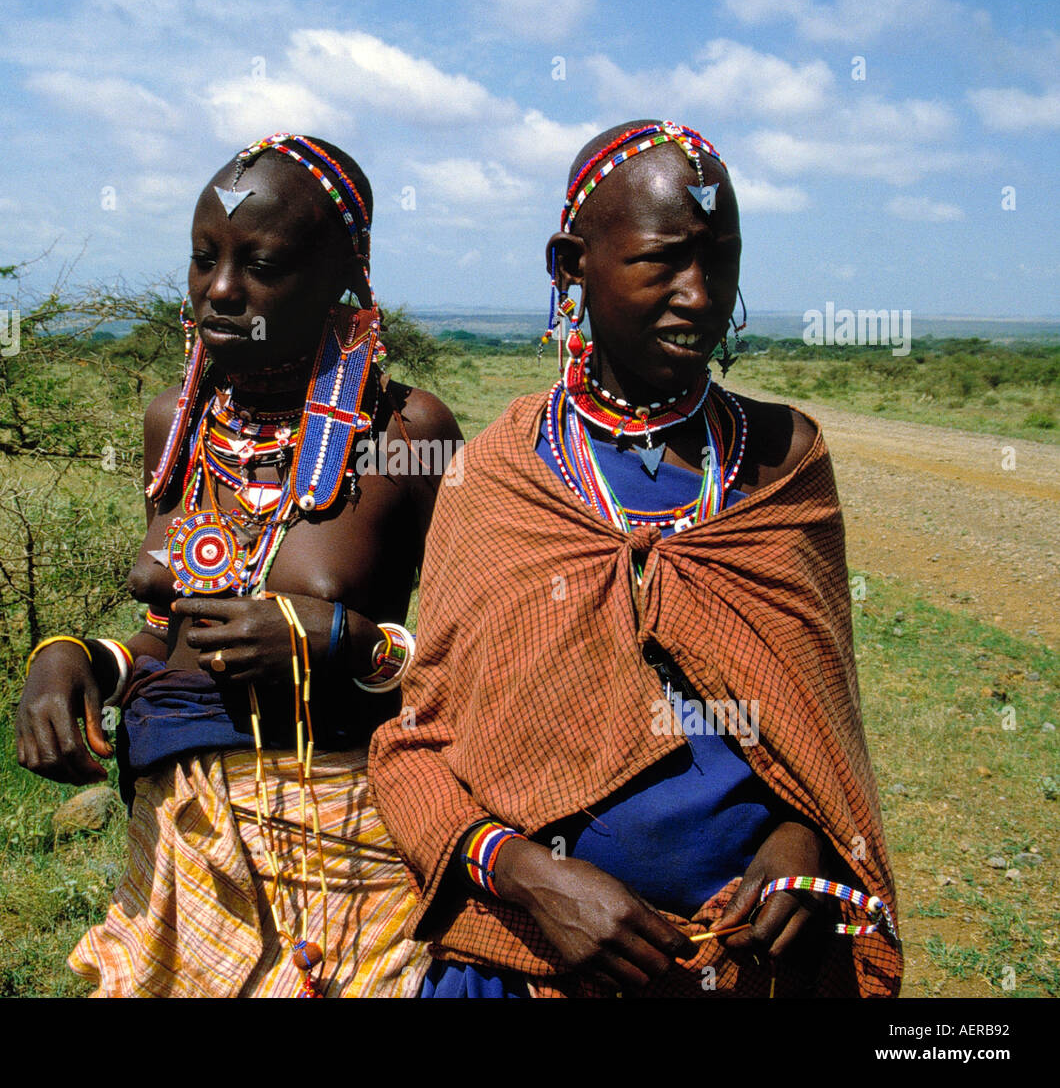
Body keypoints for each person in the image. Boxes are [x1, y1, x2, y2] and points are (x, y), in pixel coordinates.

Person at [367, 120, 902, 998]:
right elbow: (420, 744)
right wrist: (539, 880)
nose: (700, 293)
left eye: (719, 258)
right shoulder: (502, 472)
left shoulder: (783, 460)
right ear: (571, 266)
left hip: (752, 965)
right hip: (537, 957)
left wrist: (803, 839)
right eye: (664, 260)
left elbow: (820, 733)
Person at [16, 132, 461, 997]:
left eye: (260, 263)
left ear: (344, 274)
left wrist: (343, 639)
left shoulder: (408, 434)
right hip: (178, 850)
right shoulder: (174, 424)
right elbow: (164, 638)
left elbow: (471, 655)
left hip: (353, 860)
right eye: (203, 259)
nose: (220, 290)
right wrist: (72, 658)